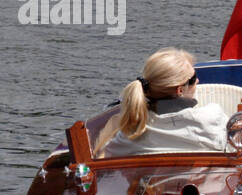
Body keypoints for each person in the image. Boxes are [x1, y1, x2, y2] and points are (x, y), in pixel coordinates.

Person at [94, 48, 229, 156]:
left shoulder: (131, 132)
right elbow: (238, 148)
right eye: (193, 79)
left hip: (150, 189)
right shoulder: (211, 118)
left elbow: (109, 158)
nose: (198, 81)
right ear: (180, 90)